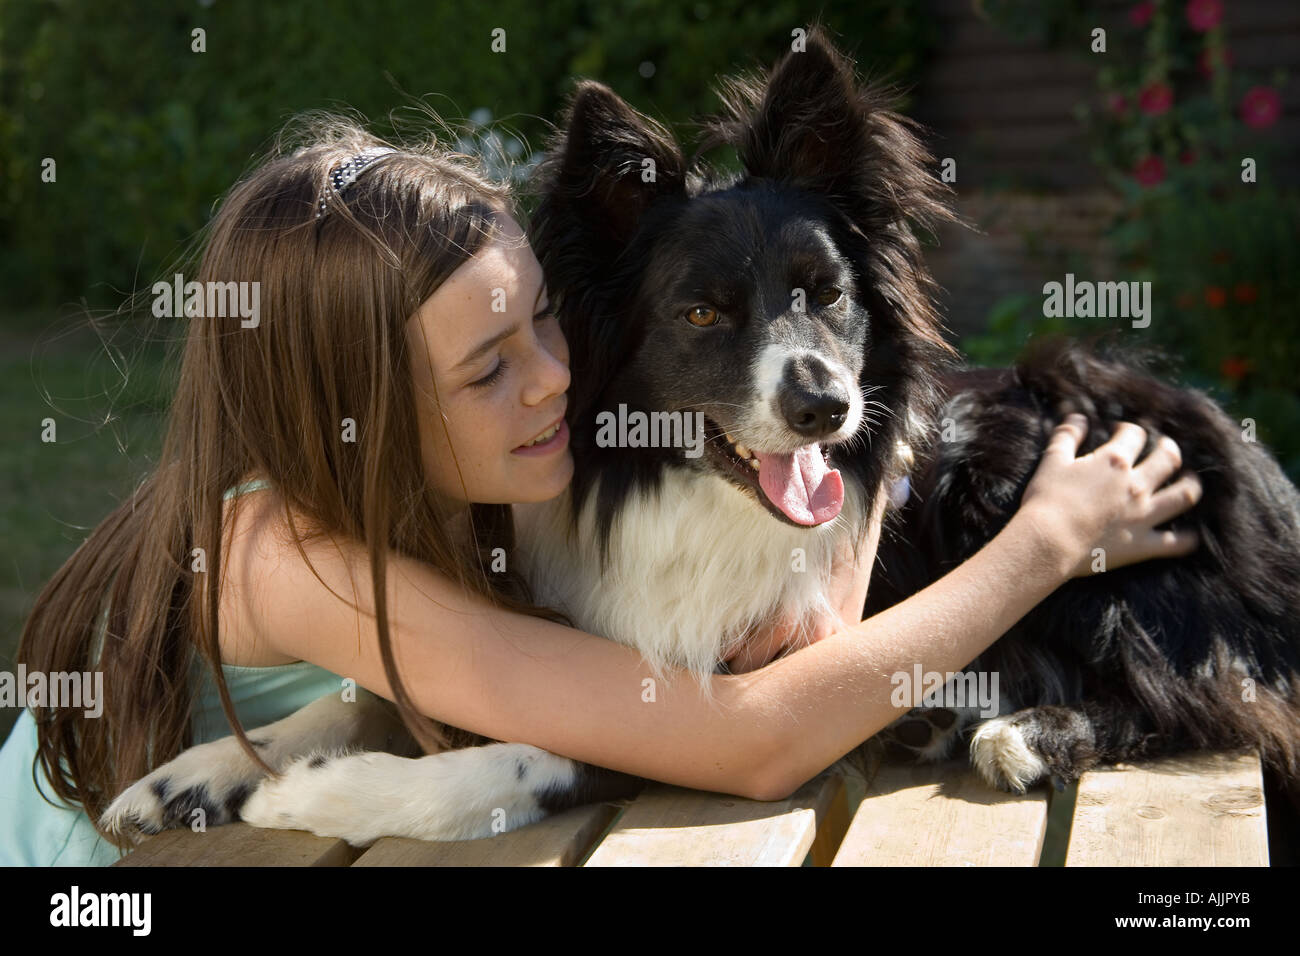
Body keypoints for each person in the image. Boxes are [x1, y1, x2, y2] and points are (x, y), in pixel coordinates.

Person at [0, 116, 1201, 866]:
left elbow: (826, 514)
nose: (555, 382)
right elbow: (752, 738)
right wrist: (1046, 539)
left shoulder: (479, 473)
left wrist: (838, 501)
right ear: (356, 406)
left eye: (544, 323)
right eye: (490, 366)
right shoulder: (287, 551)